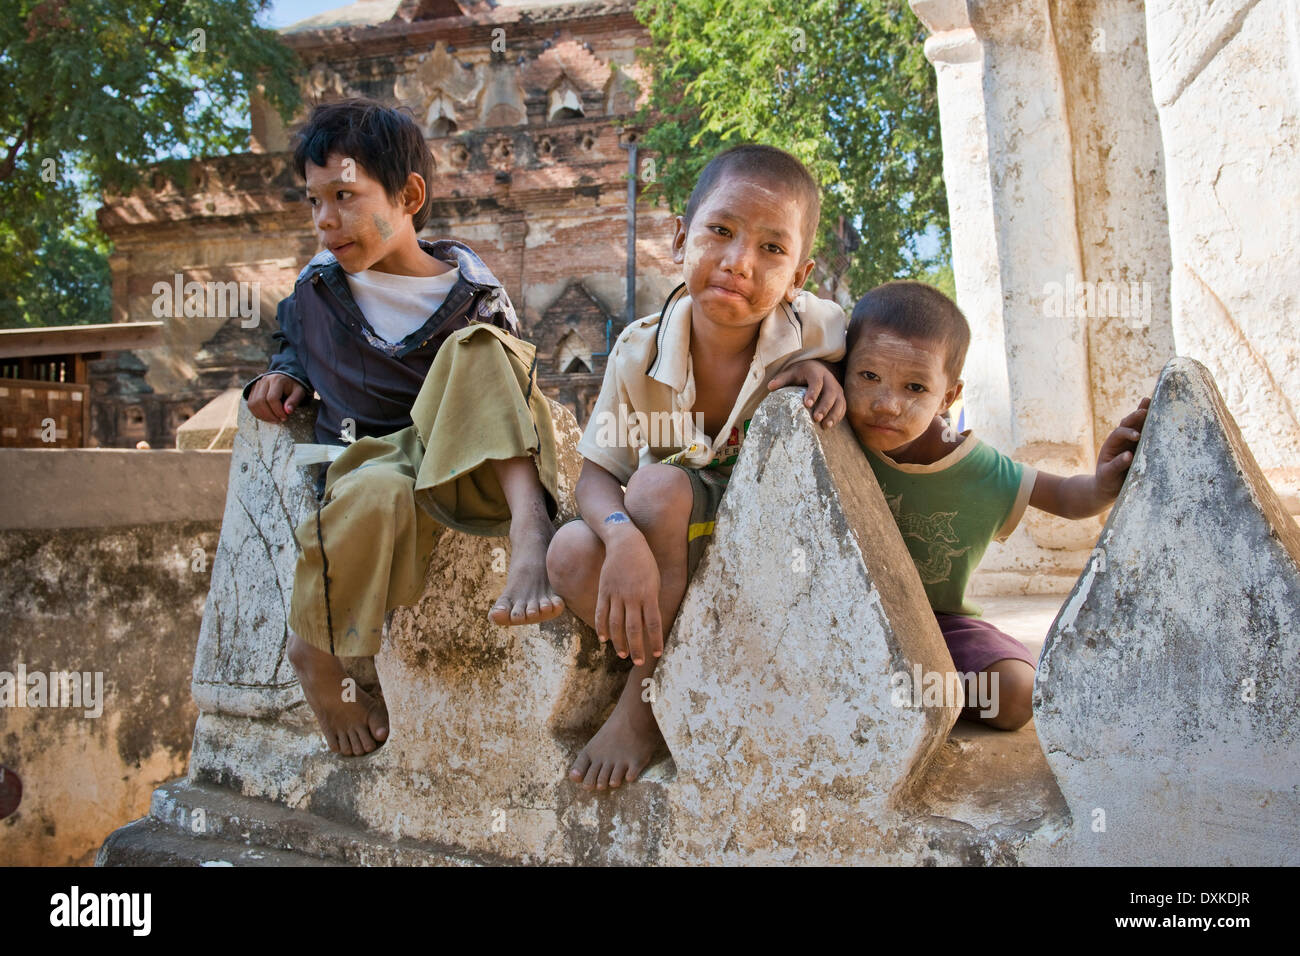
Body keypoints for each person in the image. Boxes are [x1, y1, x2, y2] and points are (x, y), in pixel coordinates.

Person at [242, 98, 563, 757]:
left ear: (409, 194)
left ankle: (534, 530)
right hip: (370, 462)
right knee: (375, 488)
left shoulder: (472, 291)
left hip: (458, 456)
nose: (327, 219)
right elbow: (291, 341)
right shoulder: (317, 290)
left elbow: (509, 394)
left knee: (486, 352)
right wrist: (284, 374)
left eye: (346, 195)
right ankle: (315, 649)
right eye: (314, 201)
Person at [546, 144, 848, 790]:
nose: (741, 262)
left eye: (773, 249)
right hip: (662, 546)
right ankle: (670, 665)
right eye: (721, 231)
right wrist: (622, 534)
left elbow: (900, 385)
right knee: (571, 551)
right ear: (679, 239)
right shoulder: (638, 351)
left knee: (656, 482)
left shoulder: (825, 333)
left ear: (800, 274)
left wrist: (827, 372)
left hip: (762, 557)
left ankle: (642, 706)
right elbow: (596, 472)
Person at [843, 281, 1150, 730]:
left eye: (915, 386)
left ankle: (906, 691)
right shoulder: (828, 428)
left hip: (937, 627)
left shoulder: (976, 467)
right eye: (868, 376)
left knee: (1014, 696)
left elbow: (1065, 498)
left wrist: (1105, 482)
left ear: (948, 397)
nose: (887, 404)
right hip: (842, 611)